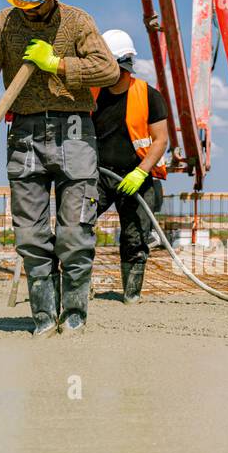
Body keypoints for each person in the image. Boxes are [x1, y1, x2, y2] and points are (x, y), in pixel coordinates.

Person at [0, 0, 119, 336]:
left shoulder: (78, 22)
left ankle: (75, 314)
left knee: (74, 232)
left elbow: (108, 69)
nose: (25, 9)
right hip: (24, 135)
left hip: (74, 133)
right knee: (31, 235)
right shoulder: (5, 23)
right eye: (19, 0)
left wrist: (58, 64)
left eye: (32, 2)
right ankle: (44, 316)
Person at [91, 29, 170, 303]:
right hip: (97, 177)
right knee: (78, 227)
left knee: (135, 238)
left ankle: (131, 295)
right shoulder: (91, 95)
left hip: (137, 176)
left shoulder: (149, 95)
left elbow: (161, 140)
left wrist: (141, 171)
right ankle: (79, 286)